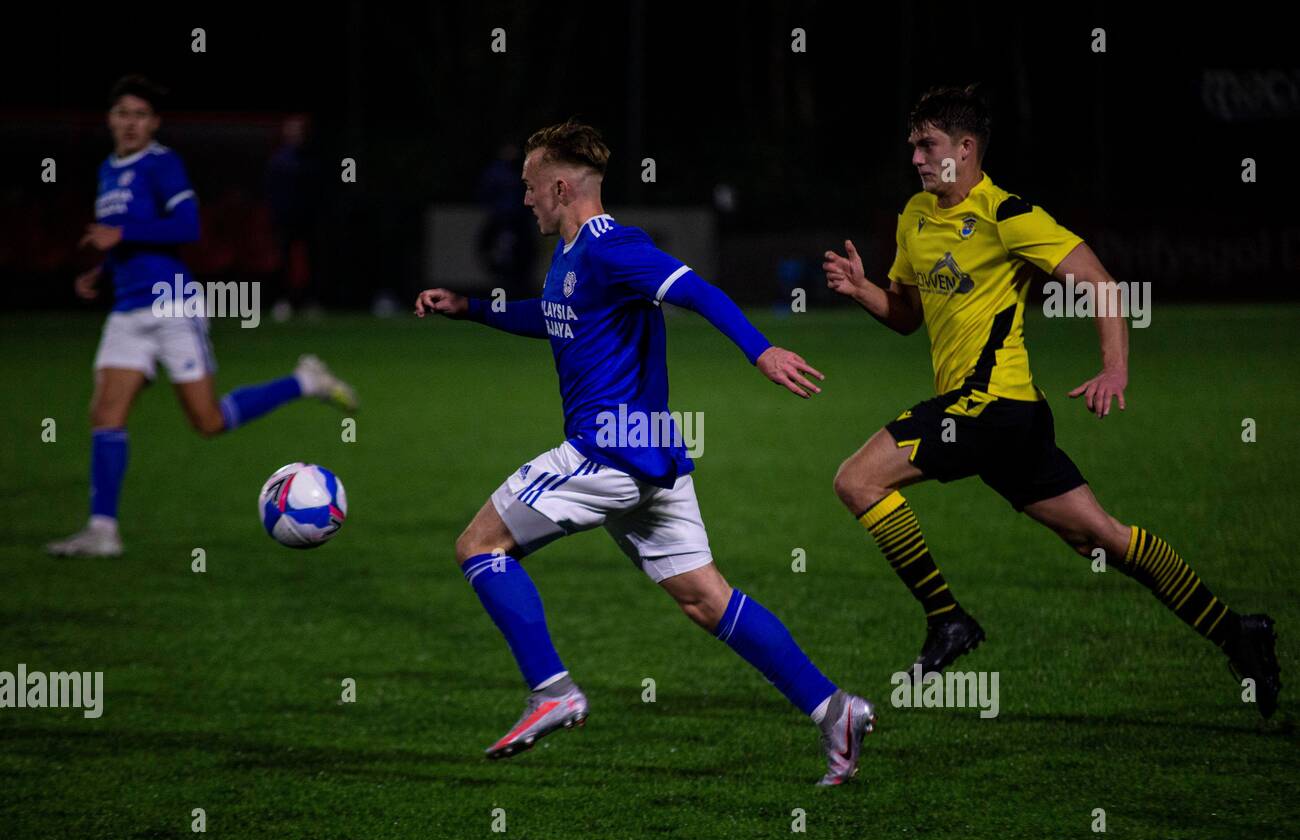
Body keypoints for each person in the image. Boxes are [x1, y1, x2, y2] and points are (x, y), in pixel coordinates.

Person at [416, 120, 875, 784]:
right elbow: (552, 320)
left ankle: (552, 691)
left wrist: (762, 350)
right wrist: (470, 308)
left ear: (562, 185)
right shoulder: (573, 256)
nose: (524, 201)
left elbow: (699, 290)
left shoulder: (611, 246)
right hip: (651, 458)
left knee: (478, 546)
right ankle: (835, 709)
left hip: (608, 453)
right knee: (706, 599)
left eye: (530, 188)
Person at [823, 85, 1280, 717]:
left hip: (993, 405)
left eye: (927, 145)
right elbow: (906, 316)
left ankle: (948, 618)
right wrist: (863, 290)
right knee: (1100, 538)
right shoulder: (915, 217)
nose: (917, 158)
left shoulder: (1007, 214)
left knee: (856, 480)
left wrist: (1113, 369)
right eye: (913, 146)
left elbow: (1101, 285)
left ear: (966, 147)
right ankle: (1239, 633)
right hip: (999, 417)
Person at [47, 75, 357, 558]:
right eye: (122, 114)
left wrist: (120, 235)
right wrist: (101, 271)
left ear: (154, 123)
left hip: (171, 305)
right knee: (104, 415)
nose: (130, 123)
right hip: (127, 309)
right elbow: (124, 240)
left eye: (140, 115)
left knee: (208, 421)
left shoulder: (162, 164)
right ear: (110, 119)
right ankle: (102, 531)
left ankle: (302, 381)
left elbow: (187, 226)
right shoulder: (108, 168)